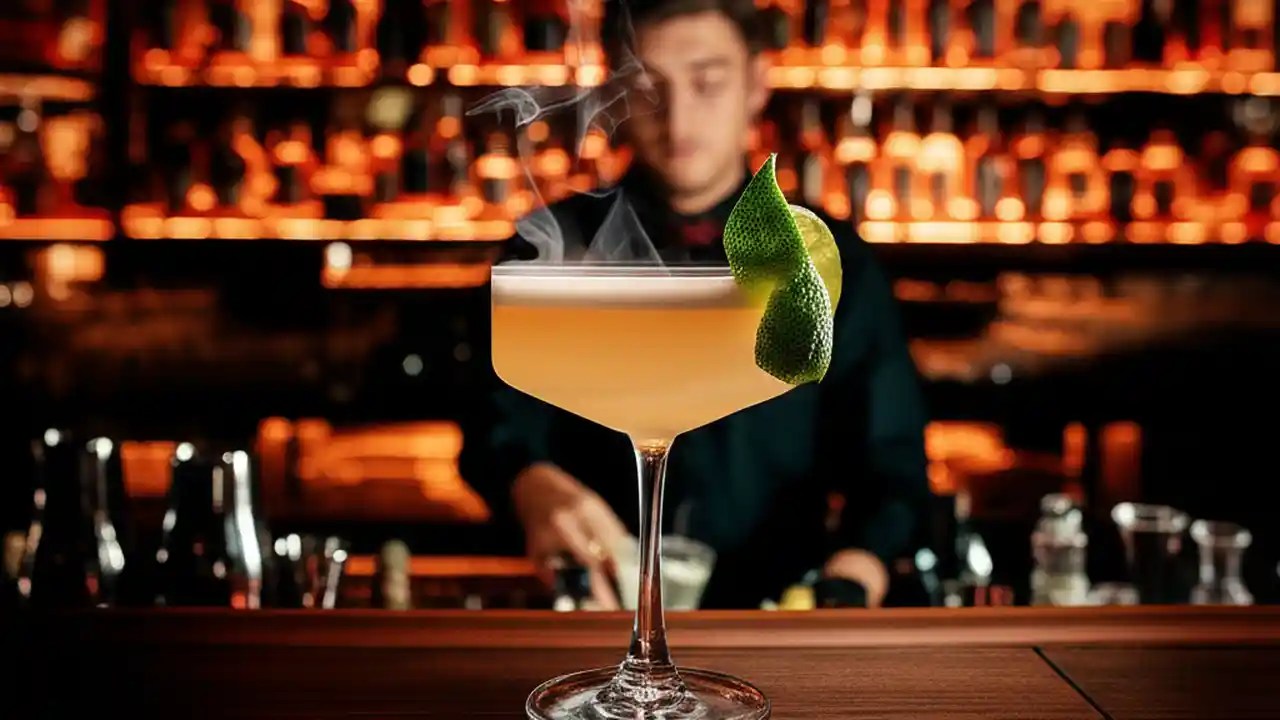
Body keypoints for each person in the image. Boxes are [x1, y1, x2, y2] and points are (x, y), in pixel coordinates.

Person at [460, 0, 931, 610]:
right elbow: (489, 417)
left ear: (757, 85)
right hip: (594, 614)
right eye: (650, 88)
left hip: (774, 614)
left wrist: (855, 572)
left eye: (707, 83)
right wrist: (533, 486)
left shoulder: (828, 261)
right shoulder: (548, 247)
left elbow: (891, 457)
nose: (678, 118)